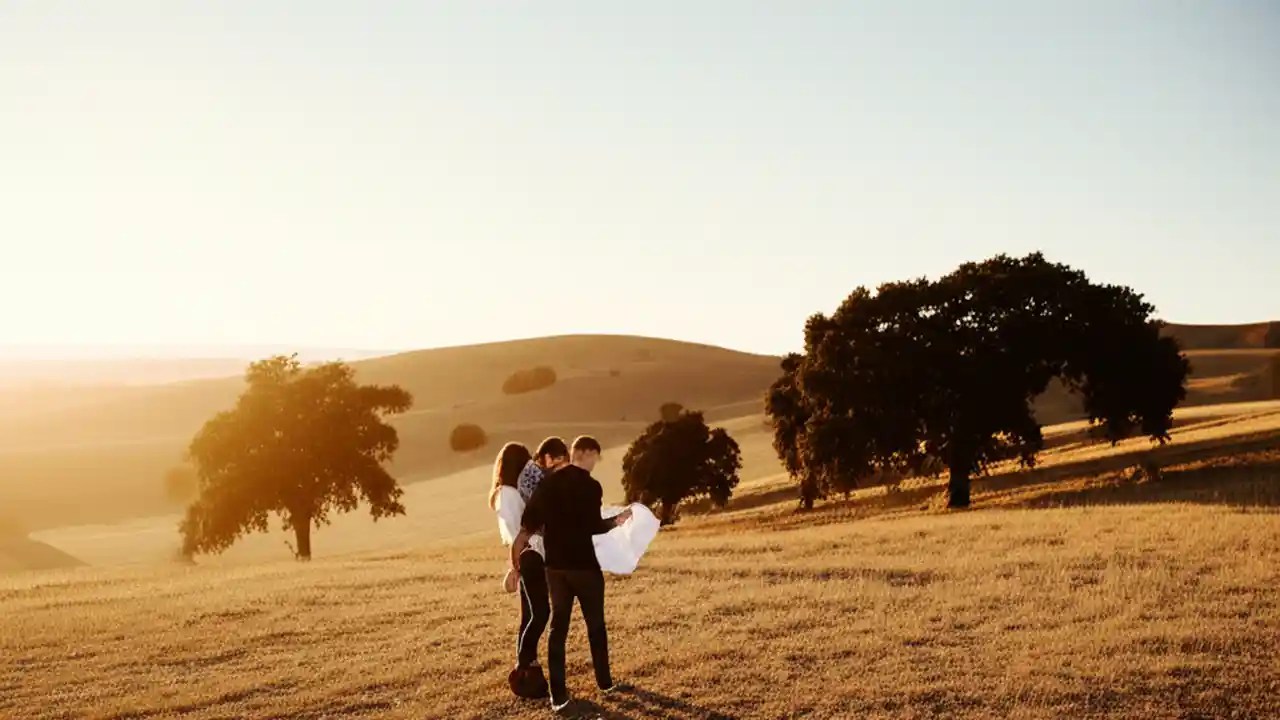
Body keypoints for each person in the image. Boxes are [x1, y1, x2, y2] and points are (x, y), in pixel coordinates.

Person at [513, 435, 631, 712]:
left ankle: (558, 697)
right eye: (595, 457)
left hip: (555, 569)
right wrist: (616, 521)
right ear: (586, 453)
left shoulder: (546, 485)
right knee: (595, 627)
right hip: (584, 567)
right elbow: (593, 526)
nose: (594, 463)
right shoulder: (590, 486)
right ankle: (605, 683)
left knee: (558, 630)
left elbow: (528, 522)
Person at [489, 441, 551, 686]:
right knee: (541, 612)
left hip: (527, 554)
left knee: (529, 614)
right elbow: (518, 529)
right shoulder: (509, 494)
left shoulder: (508, 492)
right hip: (528, 555)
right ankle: (523, 662)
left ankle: (528, 663)